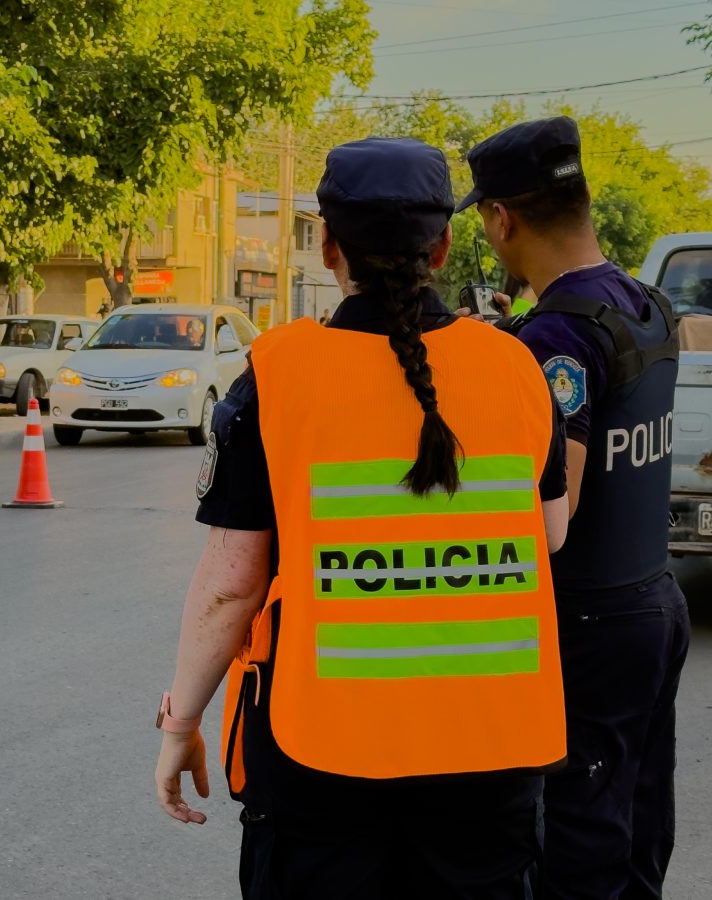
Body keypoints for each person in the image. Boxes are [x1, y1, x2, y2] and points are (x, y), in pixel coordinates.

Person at [154, 137, 573, 899]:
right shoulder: (518, 368)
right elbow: (548, 535)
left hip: (326, 760)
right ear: (444, 245)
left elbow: (230, 587)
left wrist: (181, 724)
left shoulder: (277, 377)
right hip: (493, 750)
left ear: (326, 245)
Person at [459, 116, 691, 900]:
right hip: (655, 603)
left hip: (589, 626)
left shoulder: (558, 335)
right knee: (637, 820)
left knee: (578, 839)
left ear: (501, 218)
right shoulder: (645, 303)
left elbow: (554, 505)